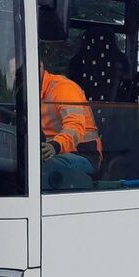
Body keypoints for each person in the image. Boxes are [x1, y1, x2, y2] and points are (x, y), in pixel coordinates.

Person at [40, 58, 103, 190]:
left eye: (18, 73)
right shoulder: (32, 94)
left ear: (39, 66)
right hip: (54, 152)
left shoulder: (63, 88)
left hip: (83, 154)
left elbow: (75, 127)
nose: (16, 78)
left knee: (38, 168)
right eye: (13, 74)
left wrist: (55, 146)